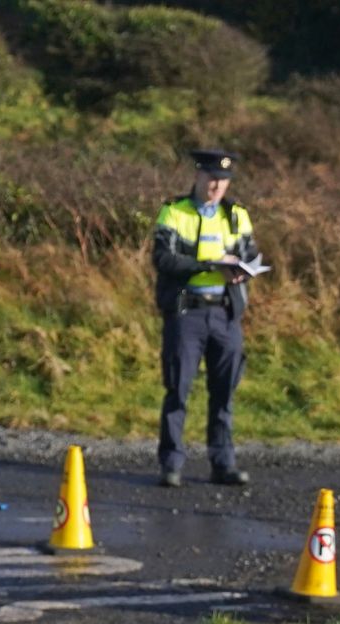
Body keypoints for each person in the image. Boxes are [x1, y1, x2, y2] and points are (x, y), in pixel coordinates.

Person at [151, 148, 264, 488]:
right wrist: (210, 264)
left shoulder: (237, 216)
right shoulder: (174, 212)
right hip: (187, 312)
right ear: (198, 176)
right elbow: (164, 260)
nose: (217, 185)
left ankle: (223, 463)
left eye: (223, 180)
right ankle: (171, 464)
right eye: (212, 178)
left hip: (225, 312)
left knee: (224, 391)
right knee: (178, 389)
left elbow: (252, 254)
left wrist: (243, 270)